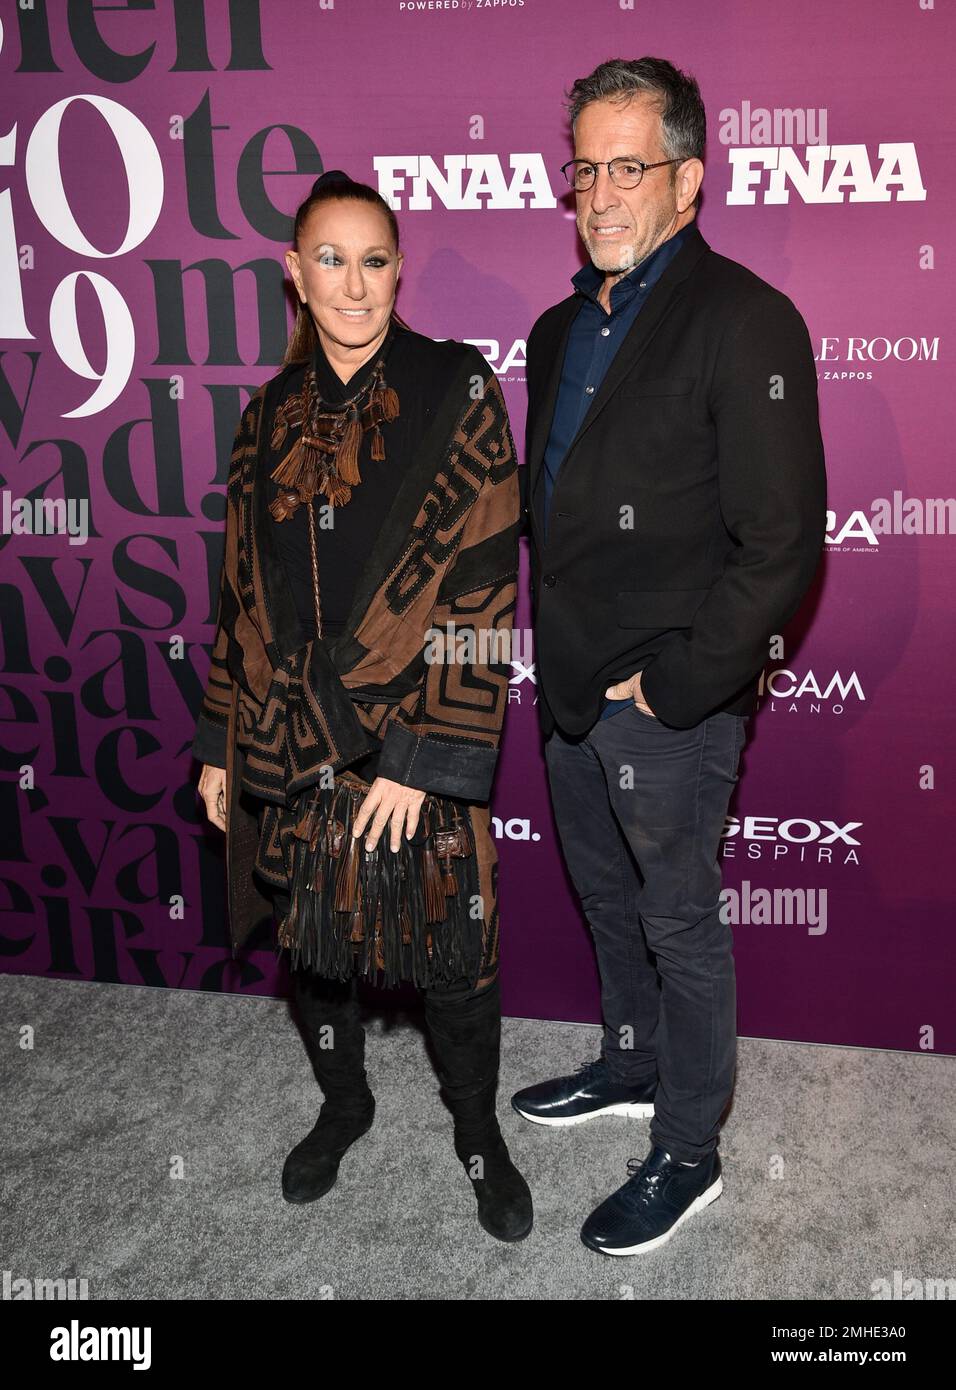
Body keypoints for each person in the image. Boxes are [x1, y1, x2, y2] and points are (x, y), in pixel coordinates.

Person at [513, 58, 827, 1255]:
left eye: (625, 167)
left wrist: (682, 683)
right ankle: (631, 1064)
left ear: (686, 180)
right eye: (583, 168)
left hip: (669, 701)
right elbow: (557, 508)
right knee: (604, 896)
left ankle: (686, 1147)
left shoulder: (745, 319)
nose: (598, 193)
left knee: (678, 918)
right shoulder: (554, 330)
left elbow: (781, 540)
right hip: (572, 682)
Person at [193, 170, 531, 1243]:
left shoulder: (456, 389)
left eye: (373, 260)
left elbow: (483, 587)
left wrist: (420, 756)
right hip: (286, 738)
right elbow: (238, 591)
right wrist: (218, 738)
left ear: (398, 268)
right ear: (294, 276)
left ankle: (477, 1133)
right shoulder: (264, 417)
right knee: (314, 944)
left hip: (413, 730)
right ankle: (344, 1106)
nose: (353, 283)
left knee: (453, 954)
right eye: (328, 260)